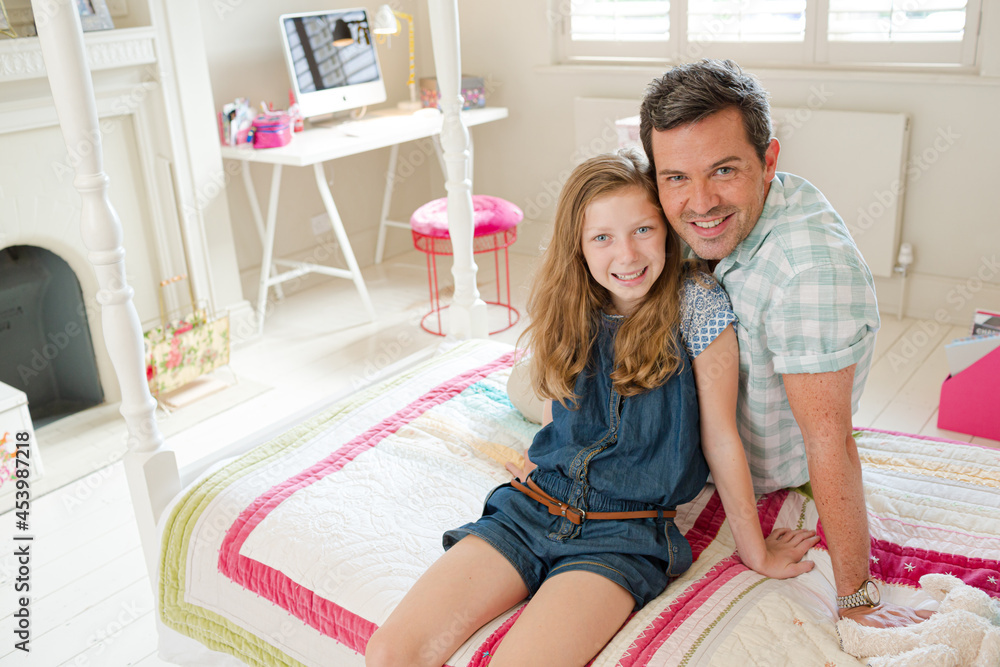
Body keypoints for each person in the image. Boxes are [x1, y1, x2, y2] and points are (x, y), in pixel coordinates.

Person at [365, 150, 818, 667]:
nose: (626, 255)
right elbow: (567, 408)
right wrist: (545, 457)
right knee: (390, 654)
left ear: (668, 230)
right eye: (602, 237)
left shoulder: (698, 305)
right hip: (533, 508)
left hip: (622, 533)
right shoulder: (573, 303)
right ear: (578, 248)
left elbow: (720, 438)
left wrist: (754, 550)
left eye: (643, 230)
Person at [637, 58, 932, 629]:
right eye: (676, 177)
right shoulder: (719, 213)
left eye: (724, 170)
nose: (700, 202)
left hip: (739, 459)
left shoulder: (808, 273)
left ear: (769, 160)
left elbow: (831, 441)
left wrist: (856, 598)